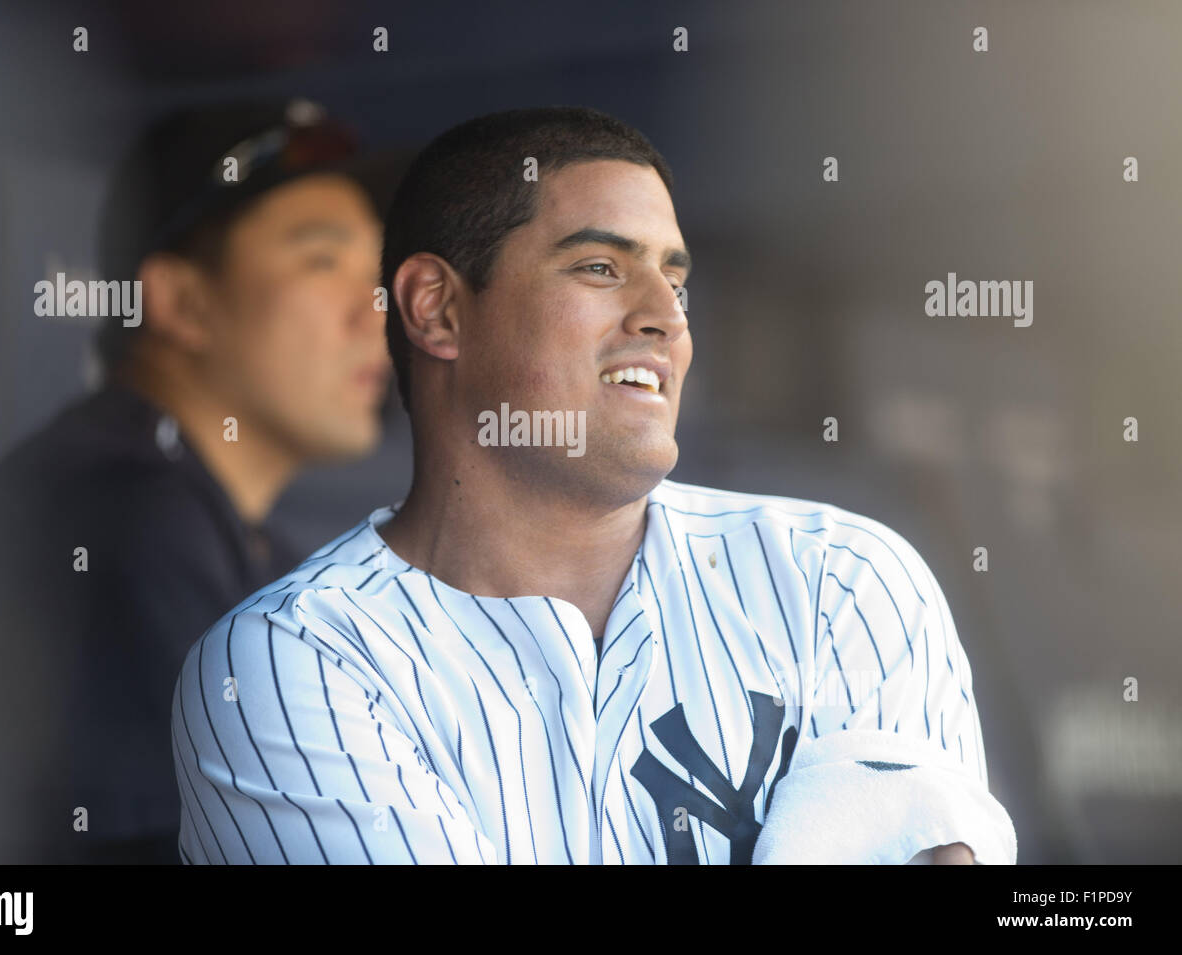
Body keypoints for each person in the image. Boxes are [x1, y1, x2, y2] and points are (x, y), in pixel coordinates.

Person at [170, 106, 1017, 865]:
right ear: (436, 308)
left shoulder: (838, 579)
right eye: (602, 269)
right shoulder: (294, 661)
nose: (667, 316)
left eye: (675, 281)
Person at [0, 99, 392, 863]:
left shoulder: (238, 532)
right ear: (182, 301)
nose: (376, 310)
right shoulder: (123, 515)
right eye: (323, 261)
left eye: (380, 274)